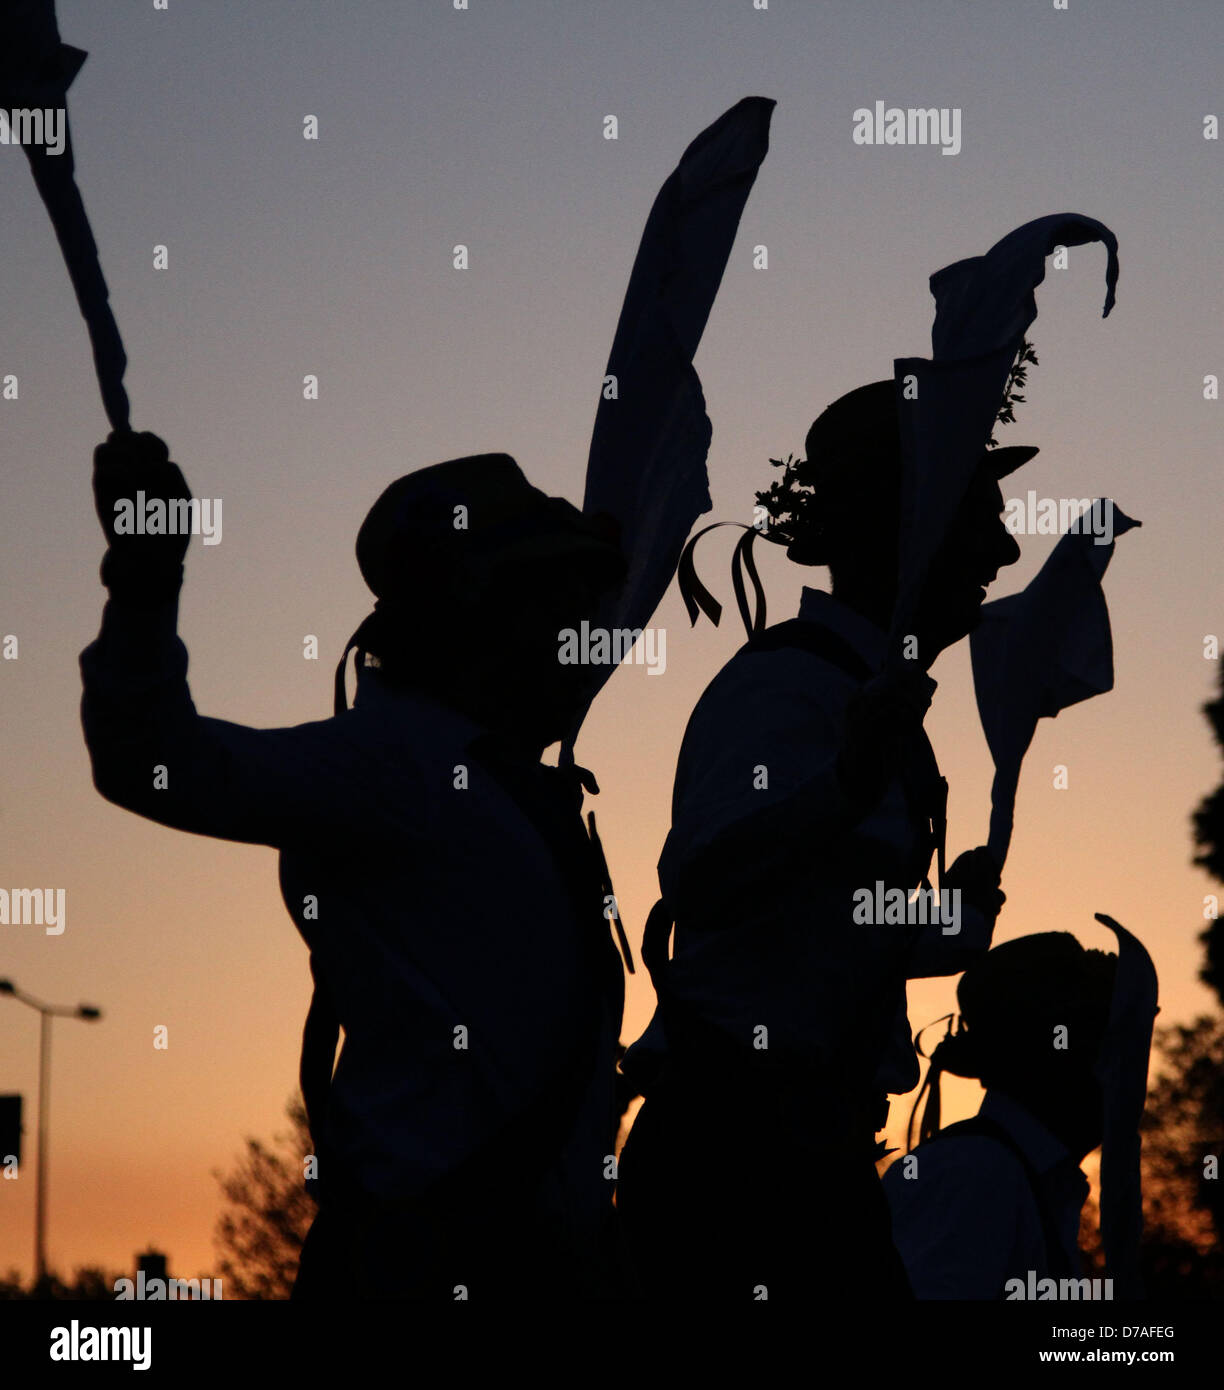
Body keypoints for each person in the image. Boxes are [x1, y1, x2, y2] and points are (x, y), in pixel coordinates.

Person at [80, 433, 630, 1299]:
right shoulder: (392, 761)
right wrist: (146, 577)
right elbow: (149, 758)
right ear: (484, 607)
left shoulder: (500, 780)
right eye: (562, 594)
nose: (587, 623)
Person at [616, 379, 1024, 1300]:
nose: (1002, 550)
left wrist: (947, 928)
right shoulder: (789, 691)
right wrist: (843, 786)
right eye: (981, 519)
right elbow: (707, 880)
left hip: (801, 1157)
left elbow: (805, 935)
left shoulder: (858, 696)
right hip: (738, 1164)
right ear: (906, 531)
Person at [882, 932, 1118, 1299]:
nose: (1118, 1072)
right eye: (1099, 1044)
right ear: (1045, 1058)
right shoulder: (976, 1172)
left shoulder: (1011, 1174)